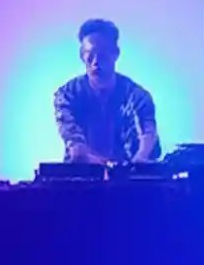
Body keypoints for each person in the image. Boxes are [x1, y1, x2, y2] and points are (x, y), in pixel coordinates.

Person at [53, 19, 161, 164]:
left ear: (115, 53)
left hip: (129, 178)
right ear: (81, 55)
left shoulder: (137, 96)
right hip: (82, 177)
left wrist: (141, 157)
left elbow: (148, 133)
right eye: (90, 54)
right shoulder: (67, 95)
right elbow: (74, 142)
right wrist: (102, 166)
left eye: (102, 54)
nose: (96, 61)